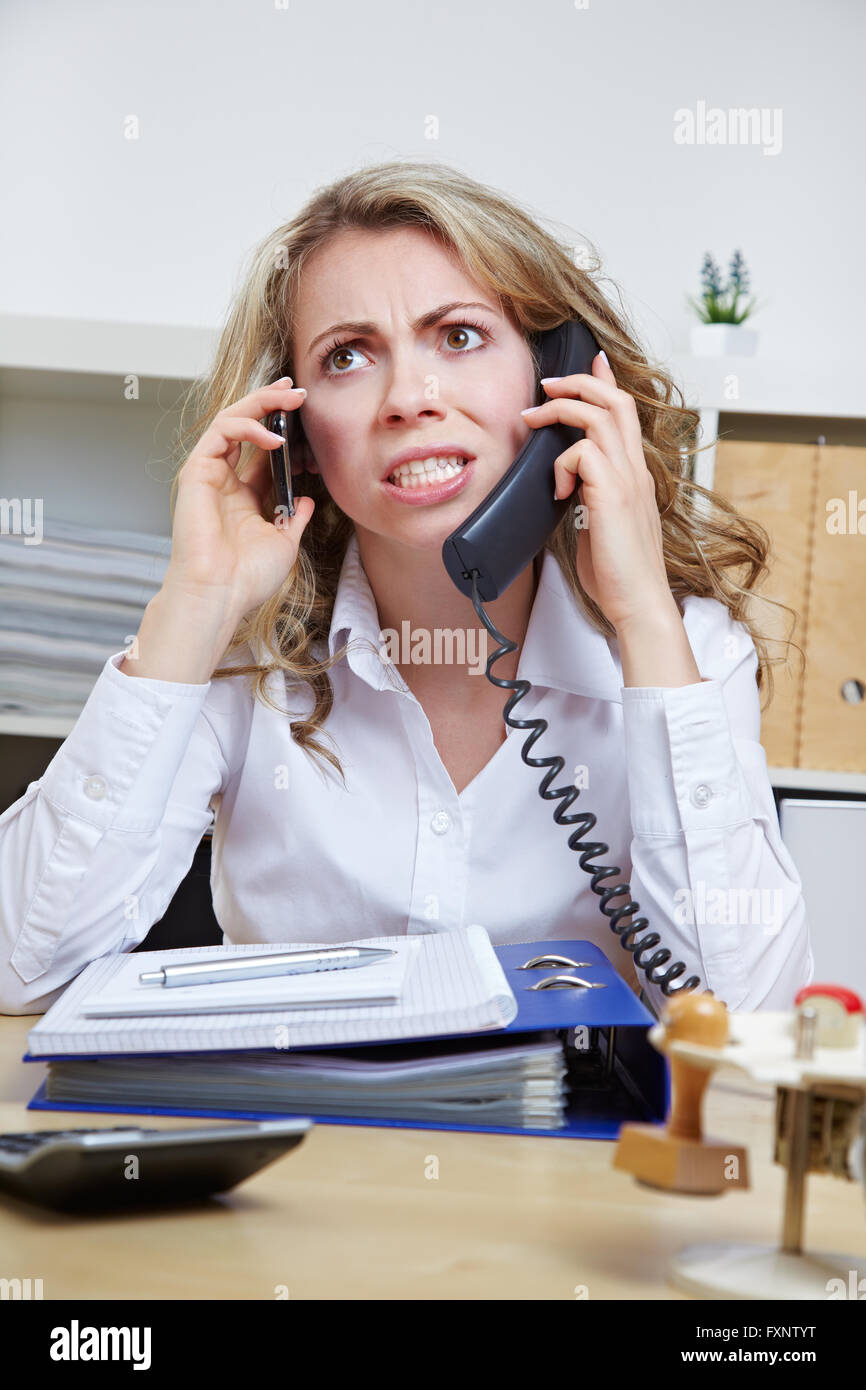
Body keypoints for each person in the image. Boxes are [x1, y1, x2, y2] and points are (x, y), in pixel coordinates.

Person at [0, 160, 812, 1017]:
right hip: (306, 1146)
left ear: (558, 379)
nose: (409, 399)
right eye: (348, 357)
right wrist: (193, 606)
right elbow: (21, 968)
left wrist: (644, 611)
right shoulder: (239, 660)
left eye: (458, 337)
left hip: (566, 1153)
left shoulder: (685, 654)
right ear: (297, 434)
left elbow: (751, 1016)